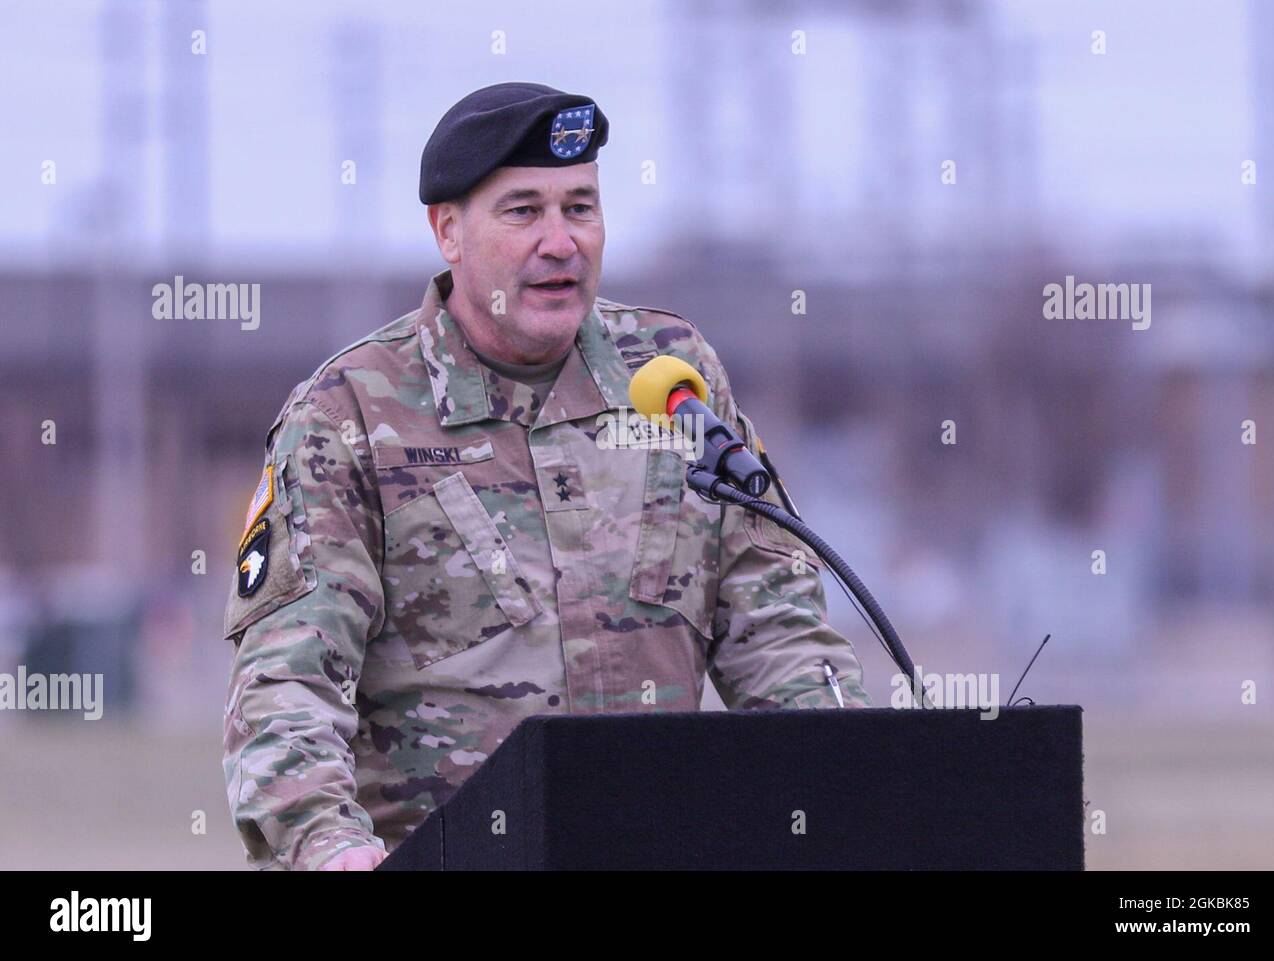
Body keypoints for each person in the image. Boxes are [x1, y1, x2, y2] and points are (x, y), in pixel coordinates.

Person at [221, 81, 872, 871]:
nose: (561, 242)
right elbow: (286, 690)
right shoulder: (349, 414)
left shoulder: (675, 379)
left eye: (581, 208)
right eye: (524, 211)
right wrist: (331, 848)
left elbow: (777, 634)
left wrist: (850, 801)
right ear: (449, 232)